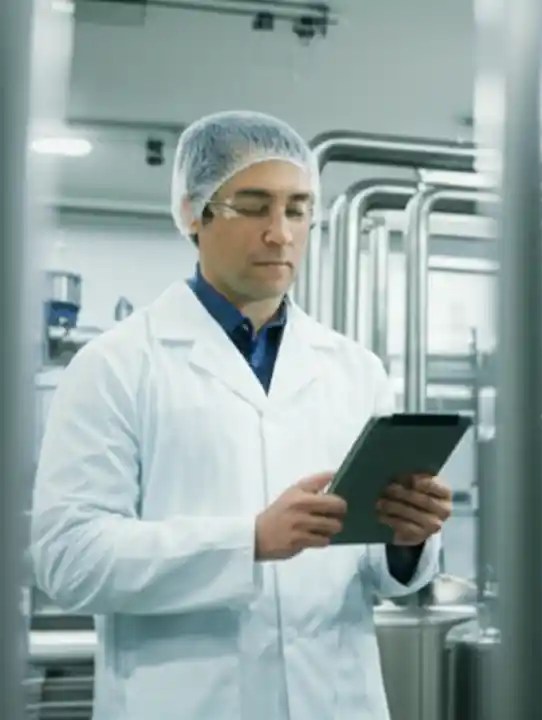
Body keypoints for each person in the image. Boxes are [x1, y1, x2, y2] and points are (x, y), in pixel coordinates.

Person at [28, 110, 452, 720]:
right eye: (253, 208)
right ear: (192, 214)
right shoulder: (117, 365)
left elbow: (376, 575)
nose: (281, 233)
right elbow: (68, 561)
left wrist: (407, 542)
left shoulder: (355, 369)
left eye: (299, 209)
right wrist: (246, 541)